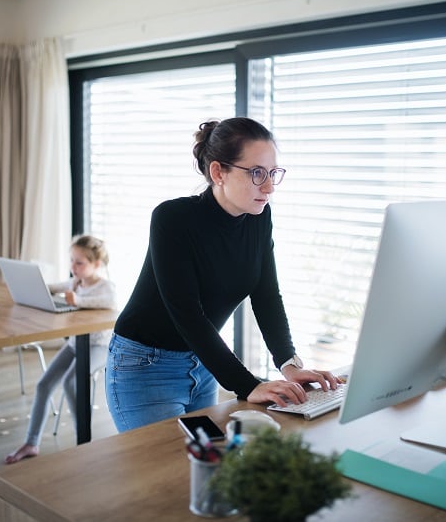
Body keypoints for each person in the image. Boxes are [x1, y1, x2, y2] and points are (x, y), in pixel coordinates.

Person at [105, 117, 342, 433]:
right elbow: (187, 313)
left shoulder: (258, 215)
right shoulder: (173, 219)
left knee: (210, 469)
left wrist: (289, 364)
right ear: (218, 172)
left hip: (203, 364)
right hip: (146, 368)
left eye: (273, 173)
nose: (269, 187)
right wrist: (246, 385)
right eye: (257, 173)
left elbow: (266, 294)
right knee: (169, 473)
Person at [5, 234, 117, 464]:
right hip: (76, 343)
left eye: (79, 262)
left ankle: (83, 441)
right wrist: (31, 286)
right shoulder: (74, 283)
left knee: (71, 383)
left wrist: (76, 300)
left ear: (96, 264)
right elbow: (50, 288)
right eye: (72, 260)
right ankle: (31, 442)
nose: (73, 267)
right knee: (44, 385)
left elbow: (108, 302)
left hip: (99, 346)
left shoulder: (106, 287)